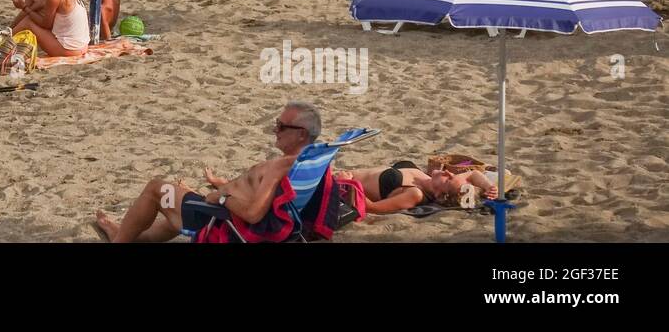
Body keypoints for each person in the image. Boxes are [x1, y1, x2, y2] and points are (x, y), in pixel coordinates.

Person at [94, 102, 319, 242]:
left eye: (281, 126)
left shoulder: (281, 166)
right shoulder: (308, 160)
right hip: (224, 209)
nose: (275, 130)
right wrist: (222, 184)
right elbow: (260, 195)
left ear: (301, 134)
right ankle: (123, 232)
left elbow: (253, 214)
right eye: (276, 123)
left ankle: (120, 239)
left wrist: (221, 197)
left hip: (221, 219)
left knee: (157, 189)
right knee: (172, 217)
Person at [336, 161, 497, 213]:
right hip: (339, 176)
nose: (448, 172)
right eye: (452, 175)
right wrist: (489, 186)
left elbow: (372, 207)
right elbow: (474, 173)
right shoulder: (428, 179)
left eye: (448, 179)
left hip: (337, 187)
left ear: (439, 195)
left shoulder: (415, 195)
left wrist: (347, 184)